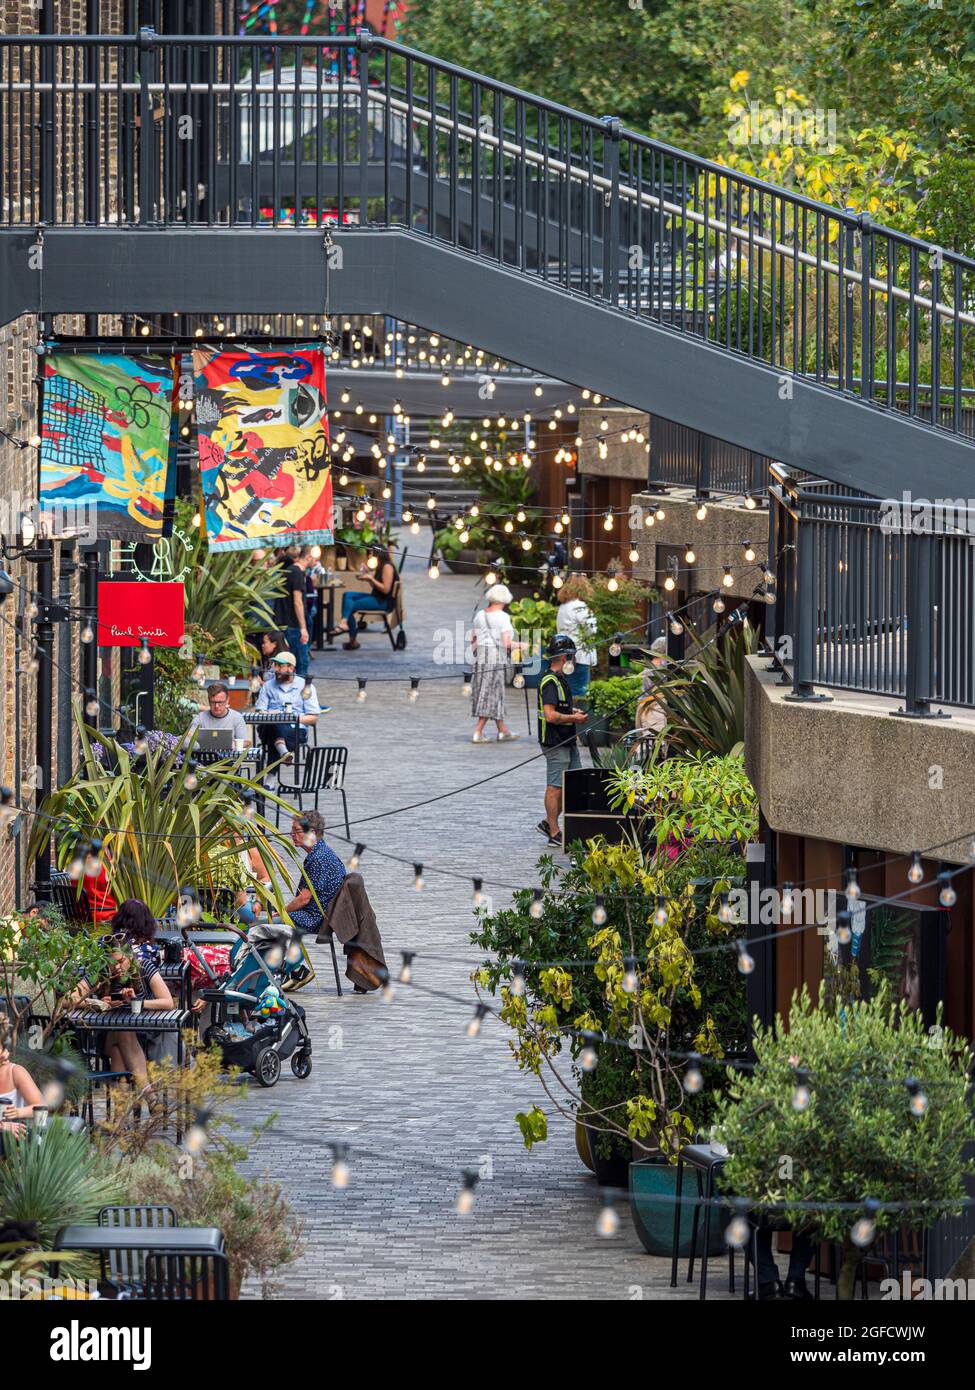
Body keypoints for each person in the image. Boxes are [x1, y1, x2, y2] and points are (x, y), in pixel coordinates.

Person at [67, 900, 175, 1092]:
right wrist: (96, 1002)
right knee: (121, 1032)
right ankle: (148, 1095)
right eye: (112, 962)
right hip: (104, 1034)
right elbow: (70, 998)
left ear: (130, 957)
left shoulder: (143, 966)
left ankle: (118, 1119)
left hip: (141, 1032)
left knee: (120, 1047)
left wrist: (138, 1003)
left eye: (121, 962)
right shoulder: (99, 971)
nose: (116, 967)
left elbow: (168, 1003)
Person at [284, 812, 387, 993]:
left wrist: (281, 910)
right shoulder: (321, 852)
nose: (291, 834)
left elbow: (304, 898)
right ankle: (293, 970)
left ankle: (297, 971)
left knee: (273, 924)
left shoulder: (318, 859)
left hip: (318, 918)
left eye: (296, 830)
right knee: (276, 922)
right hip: (325, 913)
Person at [537, 634, 587, 845]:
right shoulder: (550, 682)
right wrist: (573, 717)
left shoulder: (560, 680)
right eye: (572, 656)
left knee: (574, 783)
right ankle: (554, 832)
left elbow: (559, 708)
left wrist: (571, 711)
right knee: (555, 786)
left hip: (567, 738)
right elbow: (550, 715)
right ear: (565, 657)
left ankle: (549, 822)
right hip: (555, 741)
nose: (574, 661)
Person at [469, 583, 519, 744]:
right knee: (490, 693)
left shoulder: (479, 615)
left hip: (481, 658)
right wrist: (523, 645)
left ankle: (502, 731)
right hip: (495, 658)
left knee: (491, 692)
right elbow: (506, 643)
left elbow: (473, 640)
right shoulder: (503, 617)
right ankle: (478, 731)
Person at [253, 649, 321, 763]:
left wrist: (291, 719)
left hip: (296, 731)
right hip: (268, 728)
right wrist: (272, 715)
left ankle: (272, 772)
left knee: (274, 735)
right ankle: (283, 751)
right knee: (273, 725)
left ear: (291, 668)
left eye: (280, 666)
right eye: (275, 665)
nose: (276, 669)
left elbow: (314, 718)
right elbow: (260, 712)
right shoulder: (268, 686)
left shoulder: (306, 687)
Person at [336, 541, 397, 650]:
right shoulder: (380, 566)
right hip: (377, 597)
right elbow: (376, 586)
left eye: (371, 553)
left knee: (350, 605)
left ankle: (350, 636)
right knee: (347, 596)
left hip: (383, 602)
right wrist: (368, 575)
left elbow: (385, 590)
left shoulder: (387, 566)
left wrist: (371, 578)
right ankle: (345, 624)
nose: (369, 556)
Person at [274, 545, 314, 678]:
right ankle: (301, 694)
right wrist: (303, 628)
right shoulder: (296, 572)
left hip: (286, 623)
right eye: (315, 558)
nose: (317, 562)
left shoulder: (293, 571)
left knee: (291, 662)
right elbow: (298, 602)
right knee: (301, 662)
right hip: (293, 625)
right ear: (308, 557)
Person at [555, 575, 598, 698]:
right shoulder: (580, 606)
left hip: (564, 654)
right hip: (579, 655)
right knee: (579, 693)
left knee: (566, 692)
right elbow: (591, 630)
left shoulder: (563, 607)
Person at [0, 1036, 43, 1138]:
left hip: (14, 1141)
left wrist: (18, 1112)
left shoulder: (15, 1072)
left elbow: (42, 1111)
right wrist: (2, 1126)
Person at [189, 681, 250, 745]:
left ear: (227, 700)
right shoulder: (200, 718)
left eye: (220, 702)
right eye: (213, 702)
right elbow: (188, 738)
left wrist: (230, 745)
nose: (216, 706)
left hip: (230, 754)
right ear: (208, 700)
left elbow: (245, 743)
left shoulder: (237, 718)